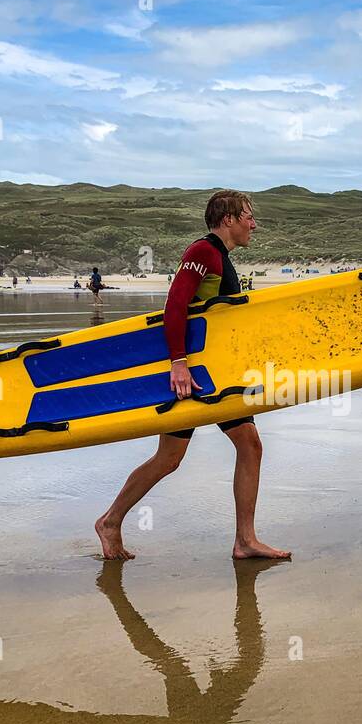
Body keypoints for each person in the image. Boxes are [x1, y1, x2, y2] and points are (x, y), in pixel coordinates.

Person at [96, 190, 290, 562]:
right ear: (229, 219)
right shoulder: (203, 252)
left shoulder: (221, 258)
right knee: (197, 454)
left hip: (216, 374)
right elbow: (175, 305)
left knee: (222, 450)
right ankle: (111, 521)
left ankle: (243, 540)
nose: (254, 224)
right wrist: (178, 362)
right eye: (248, 216)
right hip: (200, 377)